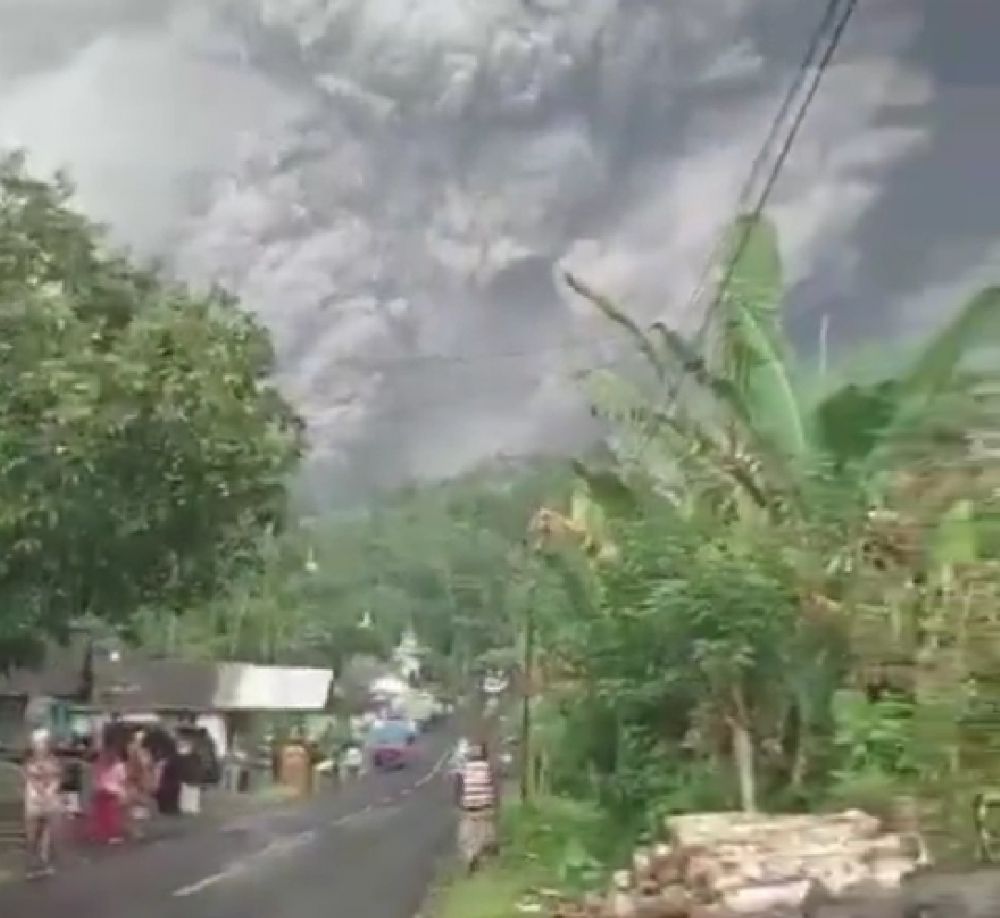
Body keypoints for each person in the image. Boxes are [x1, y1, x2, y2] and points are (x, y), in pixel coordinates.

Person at [23, 728, 62, 878]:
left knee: (48, 835)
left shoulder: (53, 761)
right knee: (32, 835)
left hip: (49, 802)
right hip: (34, 802)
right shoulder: (30, 761)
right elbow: (31, 779)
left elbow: (56, 779)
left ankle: (45, 863)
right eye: (38, 743)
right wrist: (41, 791)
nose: (41, 746)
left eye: (43, 743)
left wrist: (50, 791)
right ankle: (31, 866)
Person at [455, 740, 498, 873]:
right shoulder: (488, 768)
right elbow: (494, 786)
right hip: (484, 806)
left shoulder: (463, 768)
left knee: (467, 834)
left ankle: (470, 855)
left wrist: (458, 803)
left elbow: (458, 788)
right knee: (480, 833)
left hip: (468, 807)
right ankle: (475, 854)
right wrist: (495, 803)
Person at [89, 741, 127, 845]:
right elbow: (122, 779)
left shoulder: (99, 765)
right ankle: (113, 835)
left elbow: (96, 779)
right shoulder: (120, 766)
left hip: (101, 791)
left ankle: (99, 834)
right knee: (113, 814)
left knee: (101, 814)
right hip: (114, 792)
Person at [125, 730, 155, 839]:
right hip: (136, 781)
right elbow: (134, 767)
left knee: (140, 806)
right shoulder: (134, 751)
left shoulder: (144, 752)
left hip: (142, 781)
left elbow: (149, 766)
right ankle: (136, 830)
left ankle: (138, 830)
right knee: (136, 806)